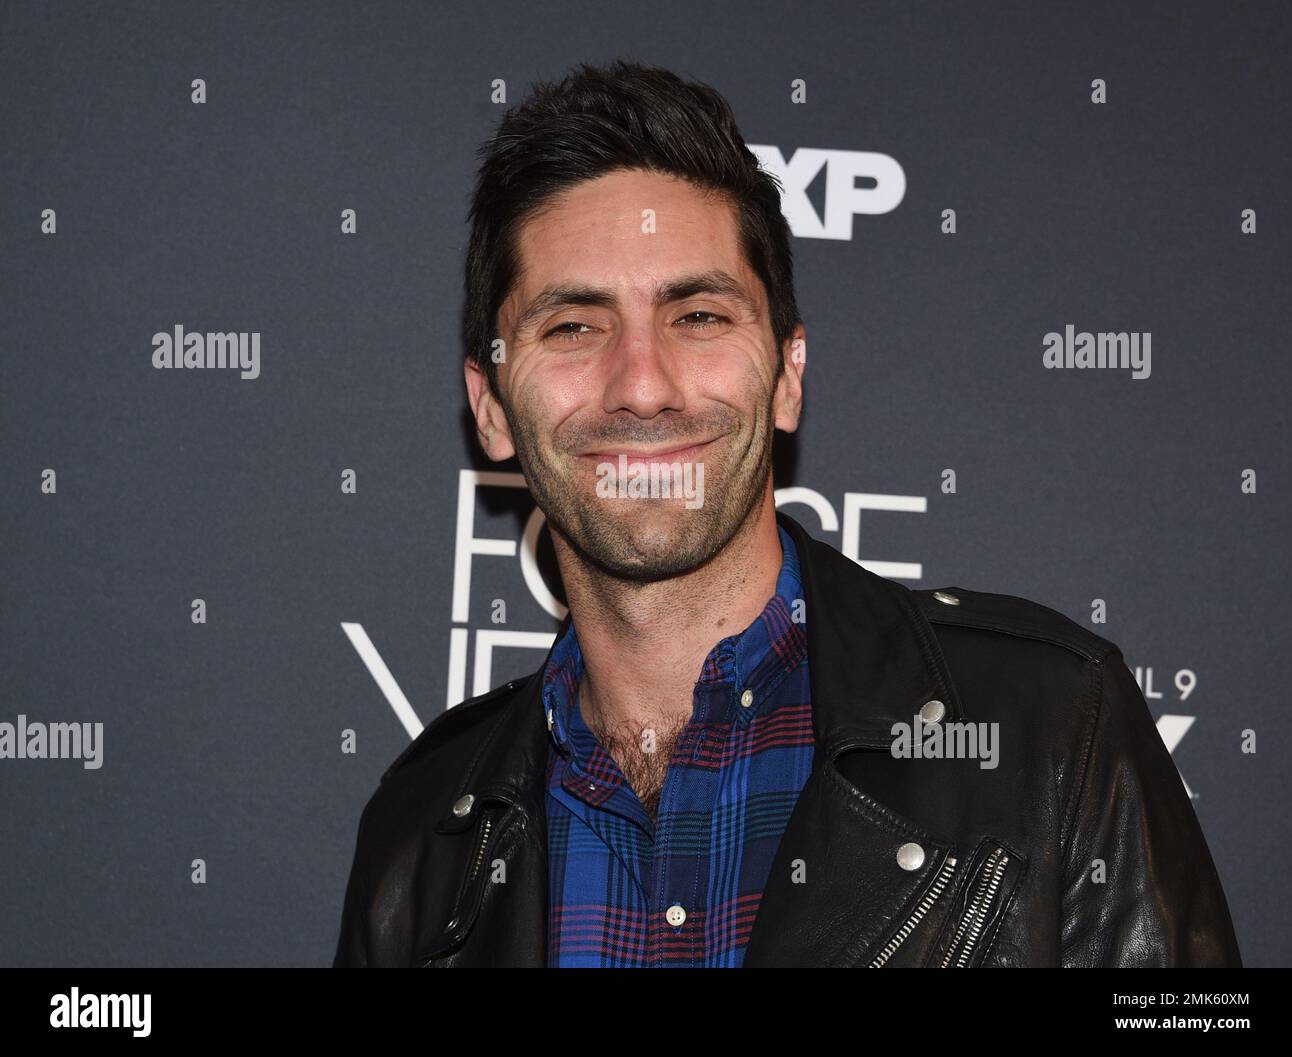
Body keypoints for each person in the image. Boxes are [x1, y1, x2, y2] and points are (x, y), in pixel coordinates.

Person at [332, 58, 1241, 967]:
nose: (642, 385)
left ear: (787, 375)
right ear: (490, 407)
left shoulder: (1051, 728)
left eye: (698, 316)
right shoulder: (424, 833)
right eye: (573, 326)